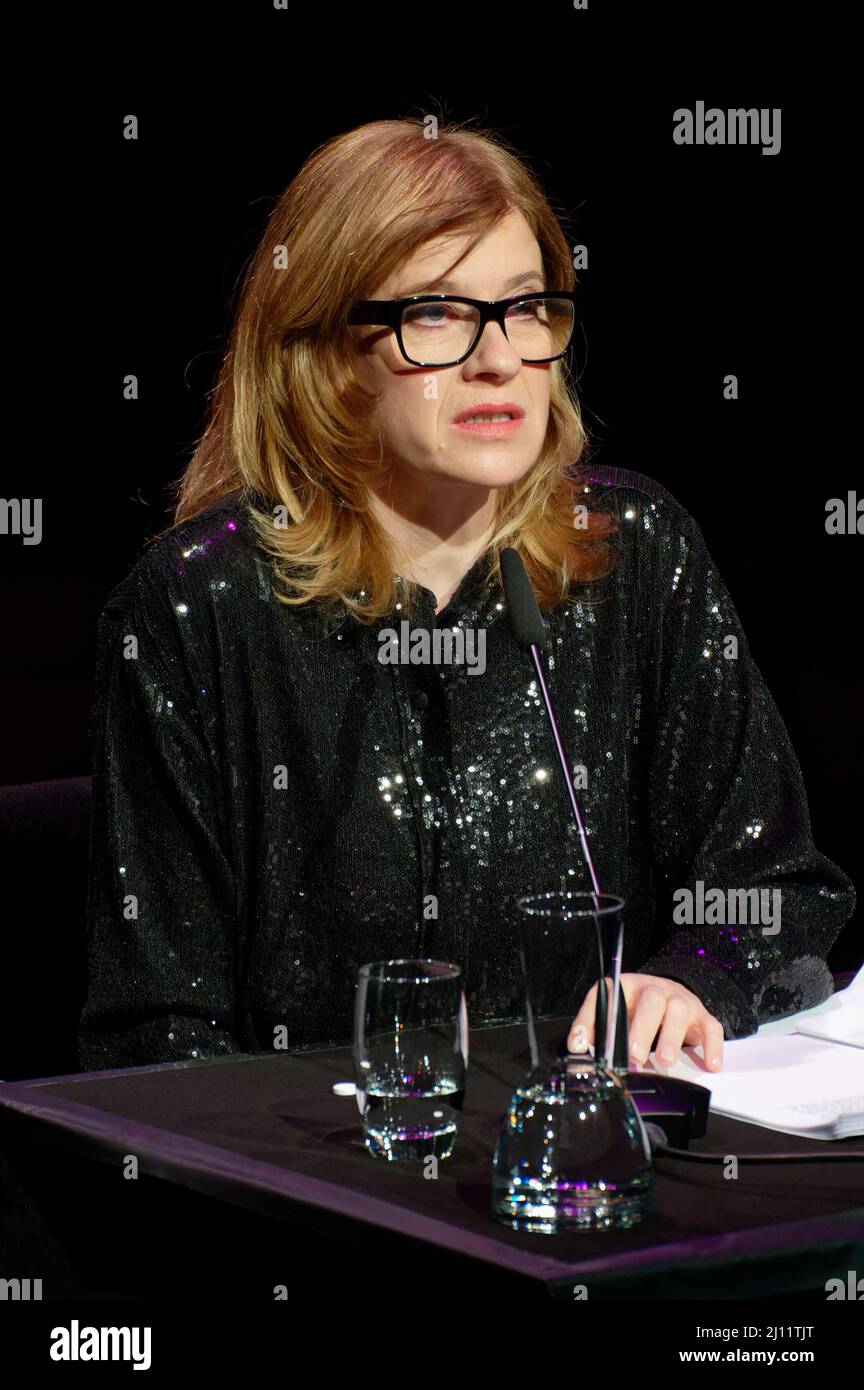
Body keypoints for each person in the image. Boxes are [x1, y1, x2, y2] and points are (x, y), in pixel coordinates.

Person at [76, 118, 856, 1075]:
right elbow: (158, 1033)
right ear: (327, 351)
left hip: (587, 1170)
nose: (499, 359)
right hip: (320, 1186)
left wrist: (693, 979)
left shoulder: (637, 554)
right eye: (437, 313)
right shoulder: (198, 609)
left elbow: (776, 888)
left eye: (526, 308)